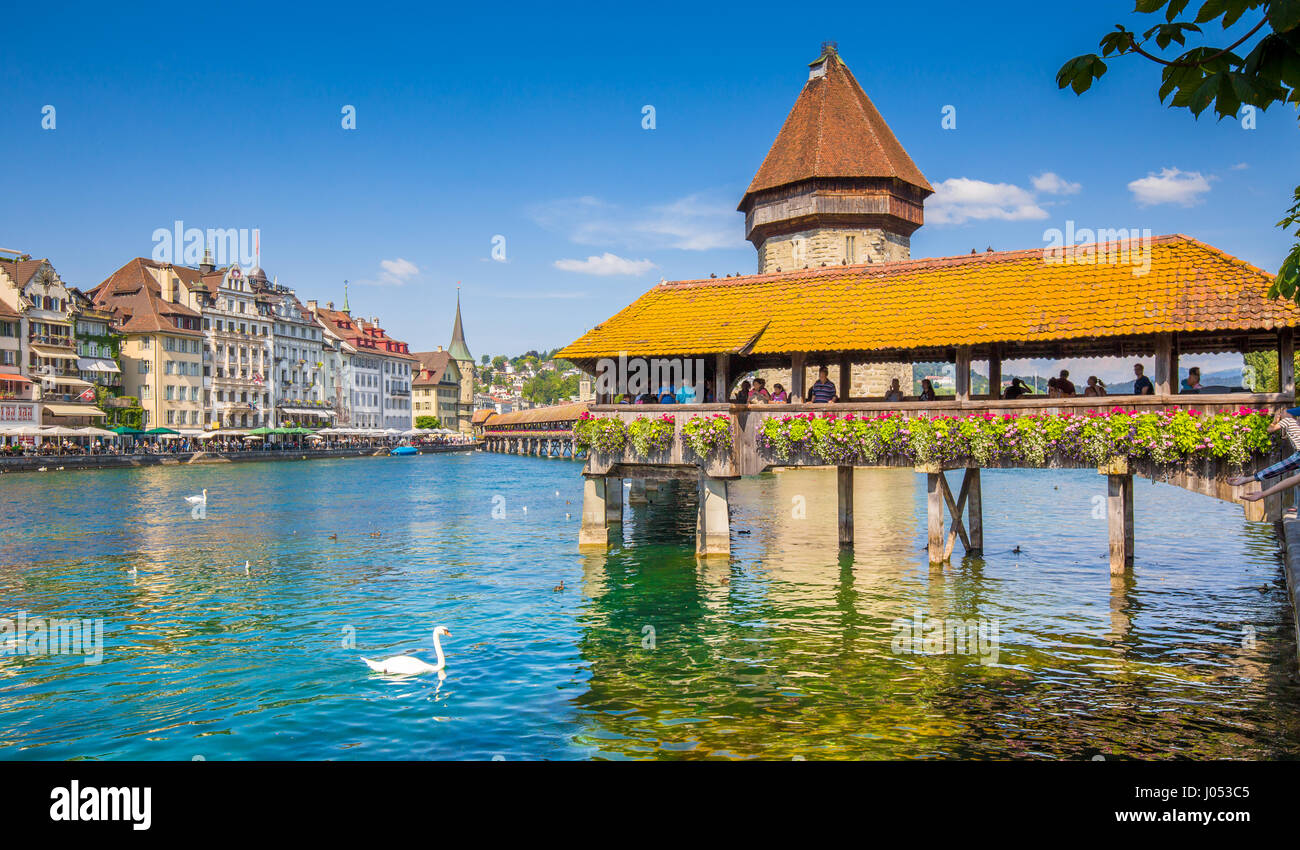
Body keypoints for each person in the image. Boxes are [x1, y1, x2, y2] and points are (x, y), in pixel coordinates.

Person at [1228, 407, 1300, 488]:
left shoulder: (1288, 421)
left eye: (1282, 413)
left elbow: (1270, 429)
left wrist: (1274, 421)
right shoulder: (1295, 423)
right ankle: (1248, 479)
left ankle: (1248, 479)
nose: (1281, 415)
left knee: (1282, 467)